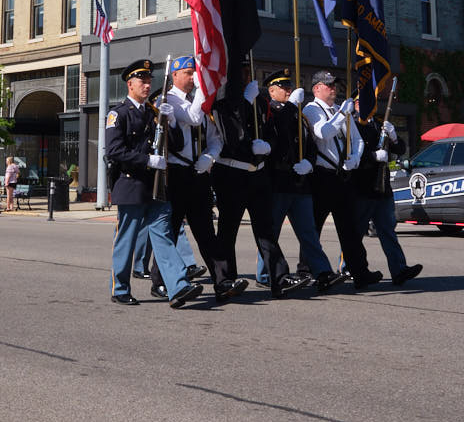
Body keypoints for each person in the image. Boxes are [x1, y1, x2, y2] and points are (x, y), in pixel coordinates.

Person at [105, 59, 202, 308]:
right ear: (130, 84)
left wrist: (170, 122)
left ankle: (178, 286)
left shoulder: (155, 112)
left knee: (163, 236)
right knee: (127, 238)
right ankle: (121, 287)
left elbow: (177, 145)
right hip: (131, 184)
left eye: (149, 81)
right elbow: (115, 151)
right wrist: (147, 159)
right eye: (142, 81)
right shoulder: (119, 113)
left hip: (156, 185)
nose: (148, 85)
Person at [149, 56, 234, 301]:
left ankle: (222, 281)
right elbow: (193, 117)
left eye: (194, 72)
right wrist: (201, 91)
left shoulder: (200, 102)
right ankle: (160, 282)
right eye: (187, 72)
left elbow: (214, 136)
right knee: (171, 230)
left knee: (206, 231)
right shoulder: (167, 100)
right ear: (174, 75)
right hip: (175, 174)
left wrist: (210, 156)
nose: (192, 76)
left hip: (198, 173)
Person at [262, 69, 348, 294]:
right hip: (279, 181)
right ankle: (267, 274)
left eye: (289, 87)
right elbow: (277, 134)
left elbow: (310, 143)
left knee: (308, 232)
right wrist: (290, 107)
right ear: (271, 91)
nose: (288, 90)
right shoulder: (269, 111)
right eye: (283, 87)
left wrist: (309, 162)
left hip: (300, 182)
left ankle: (322, 273)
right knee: (271, 232)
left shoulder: (298, 113)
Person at [212, 71, 295, 298]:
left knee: (266, 230)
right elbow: (229, 133)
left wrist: (268, 145)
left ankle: (279, 278)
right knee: (228, 230)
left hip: (257, 174)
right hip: (232, 172)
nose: (246, 77)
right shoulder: (223, 99)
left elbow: (270, 128)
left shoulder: (259, 100)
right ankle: (226, 281)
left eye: (248, 73)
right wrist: (245, 104)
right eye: (242, 73)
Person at [302, 70, 380, 289]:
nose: (333, 89)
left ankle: (359, 271)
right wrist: (341, 115)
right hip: (321, 177)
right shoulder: (311, 109)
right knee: (313, 227)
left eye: (335, 86)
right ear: (316, 88)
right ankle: (306, 270)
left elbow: (357, 139)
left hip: (342, 177)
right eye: (329, 86)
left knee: (350, 229)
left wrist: (354, 158)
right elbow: (323, 133)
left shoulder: (339, 110)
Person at [353, 114, 423, 286]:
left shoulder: (379, 125)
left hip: (382, 188)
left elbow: (400, 149)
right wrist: (372, 156)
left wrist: (393, 136)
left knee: (388, 231)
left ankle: (398, 270)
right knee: (354, 234)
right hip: (362, 187)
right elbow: (349, 154)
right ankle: (349, 267)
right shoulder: (352, 125)